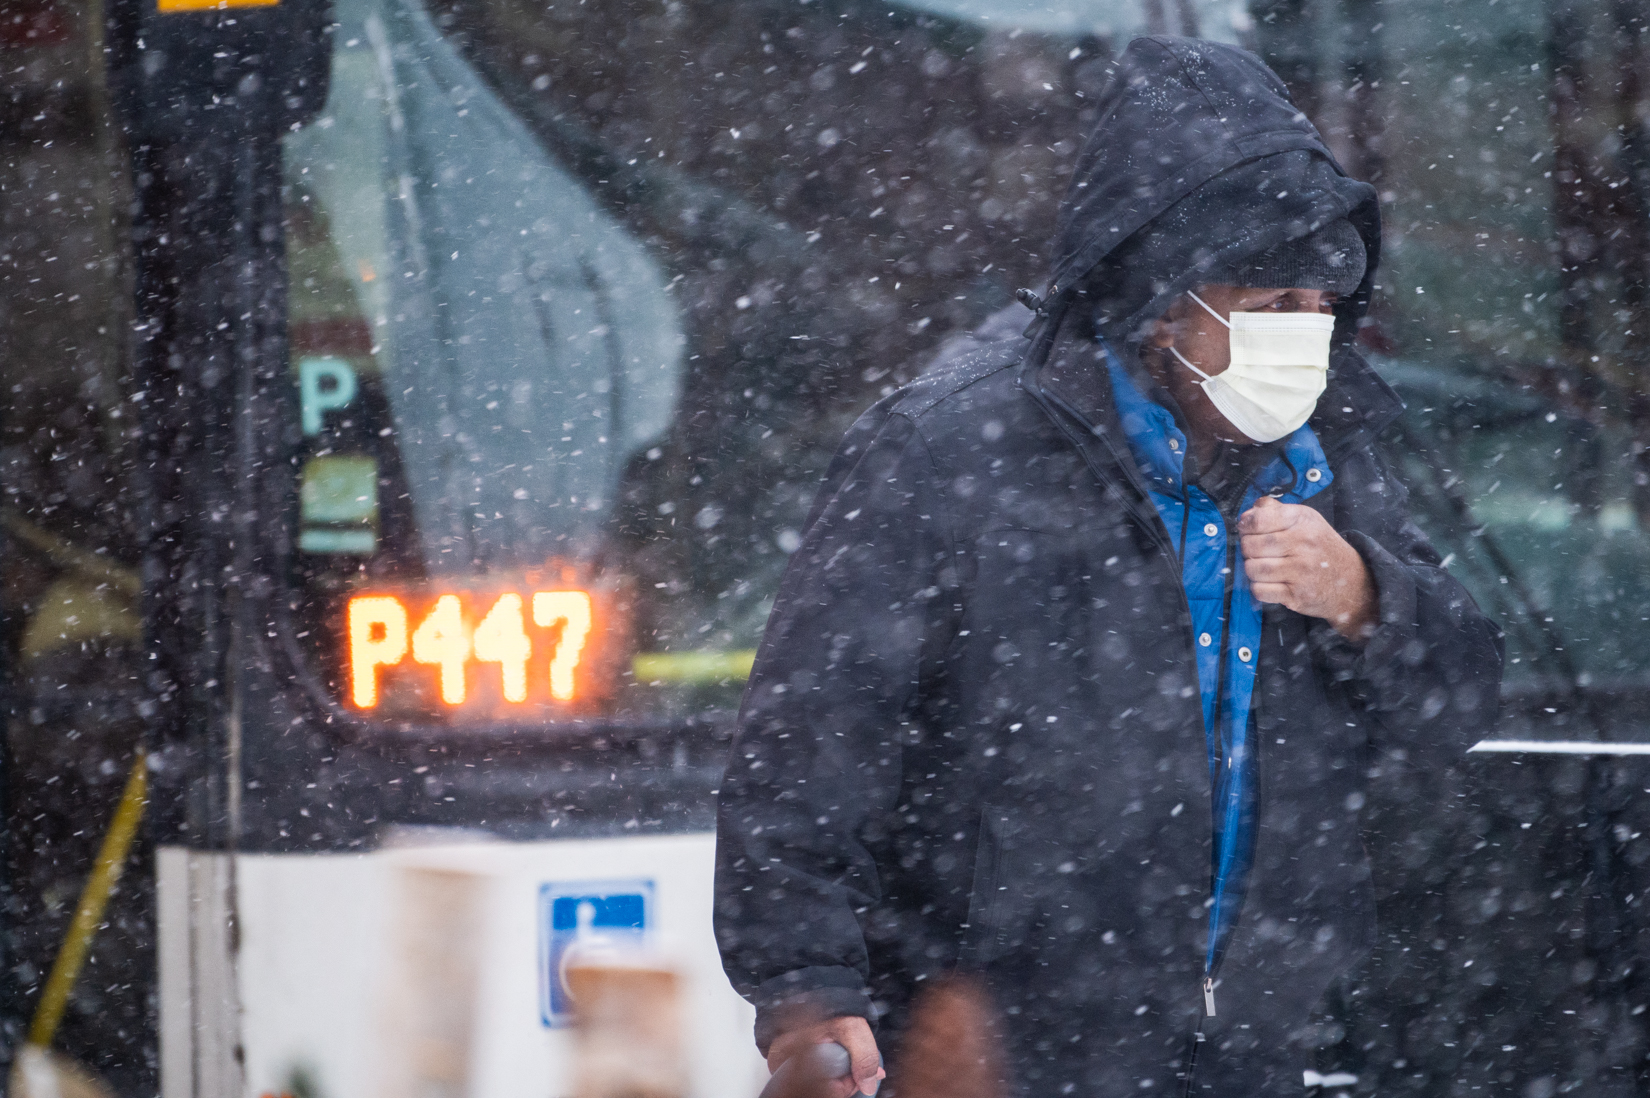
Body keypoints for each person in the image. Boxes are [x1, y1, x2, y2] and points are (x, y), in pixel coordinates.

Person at [714, 36, 1502, 1096]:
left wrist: (1365, 596)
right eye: (1274, 308)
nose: (1308, 344)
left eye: (1326, 311)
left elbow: (1455, 699)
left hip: (1258, 1044)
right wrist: (807, 986)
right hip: (997, 1048)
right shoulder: (951, 447)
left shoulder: (1326, 445)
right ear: (1168, 305)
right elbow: (810, 740)